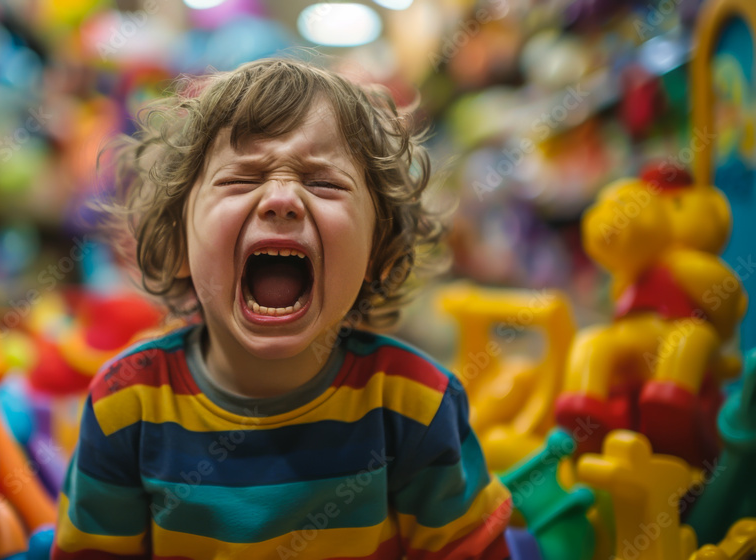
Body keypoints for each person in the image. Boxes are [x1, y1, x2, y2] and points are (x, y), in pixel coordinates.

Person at [51, 57, 512, 560]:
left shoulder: (415, 405)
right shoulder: (127, 406)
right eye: (240, 179)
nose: (281, 198)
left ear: (378, 251)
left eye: (325, 183)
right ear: (178, 244)